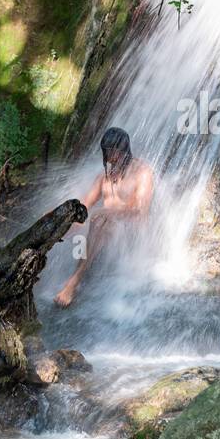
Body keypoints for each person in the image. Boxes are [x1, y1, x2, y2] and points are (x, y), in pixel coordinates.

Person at [54, 127, 154, 307]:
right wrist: (57, 219)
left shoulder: (143, 172)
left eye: (111, 150)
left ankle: (73, 283)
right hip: (105, 231)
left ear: (121, 150)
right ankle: (75, 274)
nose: (108, 155)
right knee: (87, 220)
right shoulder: (104, 177)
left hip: (131, 233)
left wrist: (107, 213)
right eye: (106, 150)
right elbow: (84, 205)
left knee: (99, 219)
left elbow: (139, 209)